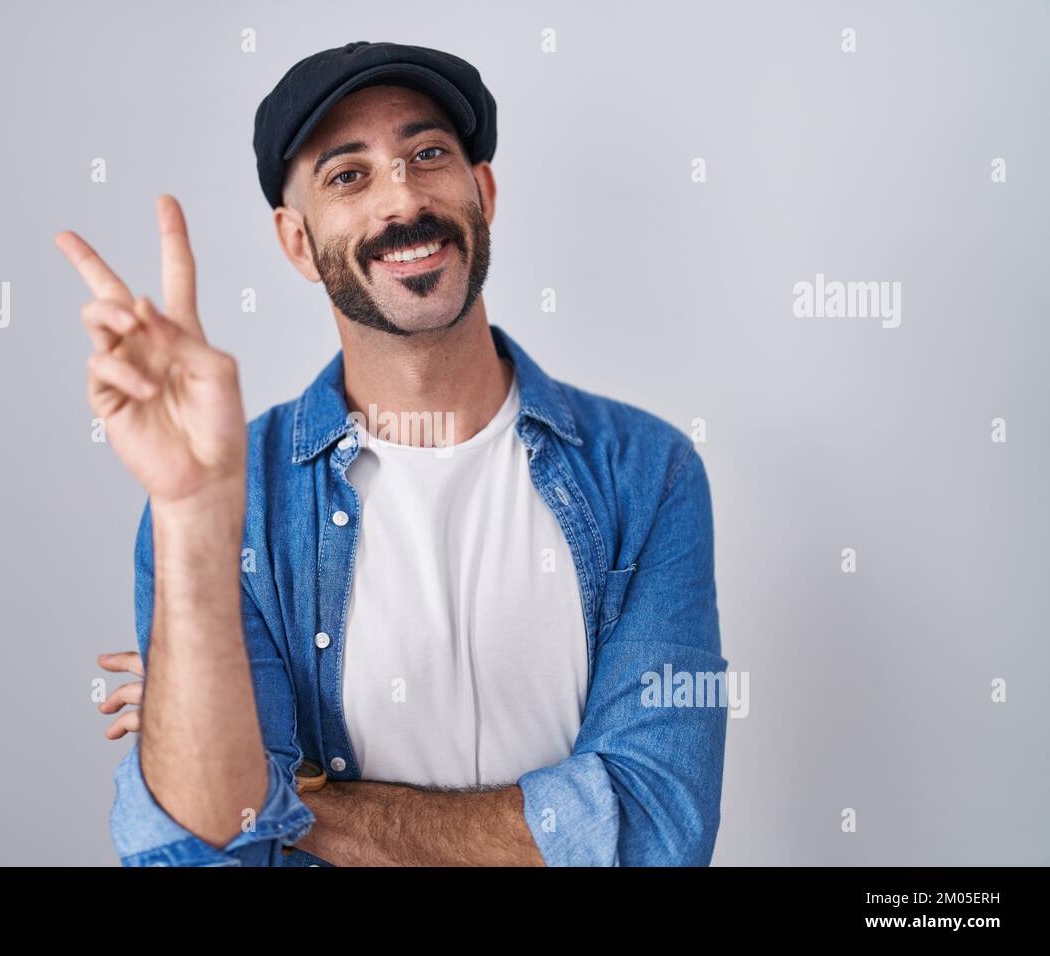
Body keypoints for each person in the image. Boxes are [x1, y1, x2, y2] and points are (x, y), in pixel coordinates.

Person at [55, 40, 727, 867]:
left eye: (428, 154)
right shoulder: (229, 498)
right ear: (297, 243)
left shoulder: (647, 471)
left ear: (481, 192)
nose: (402, 198)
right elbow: (204, 852)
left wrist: (281, 793)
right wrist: (194, 515)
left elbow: (658, 831)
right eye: (349, 175)